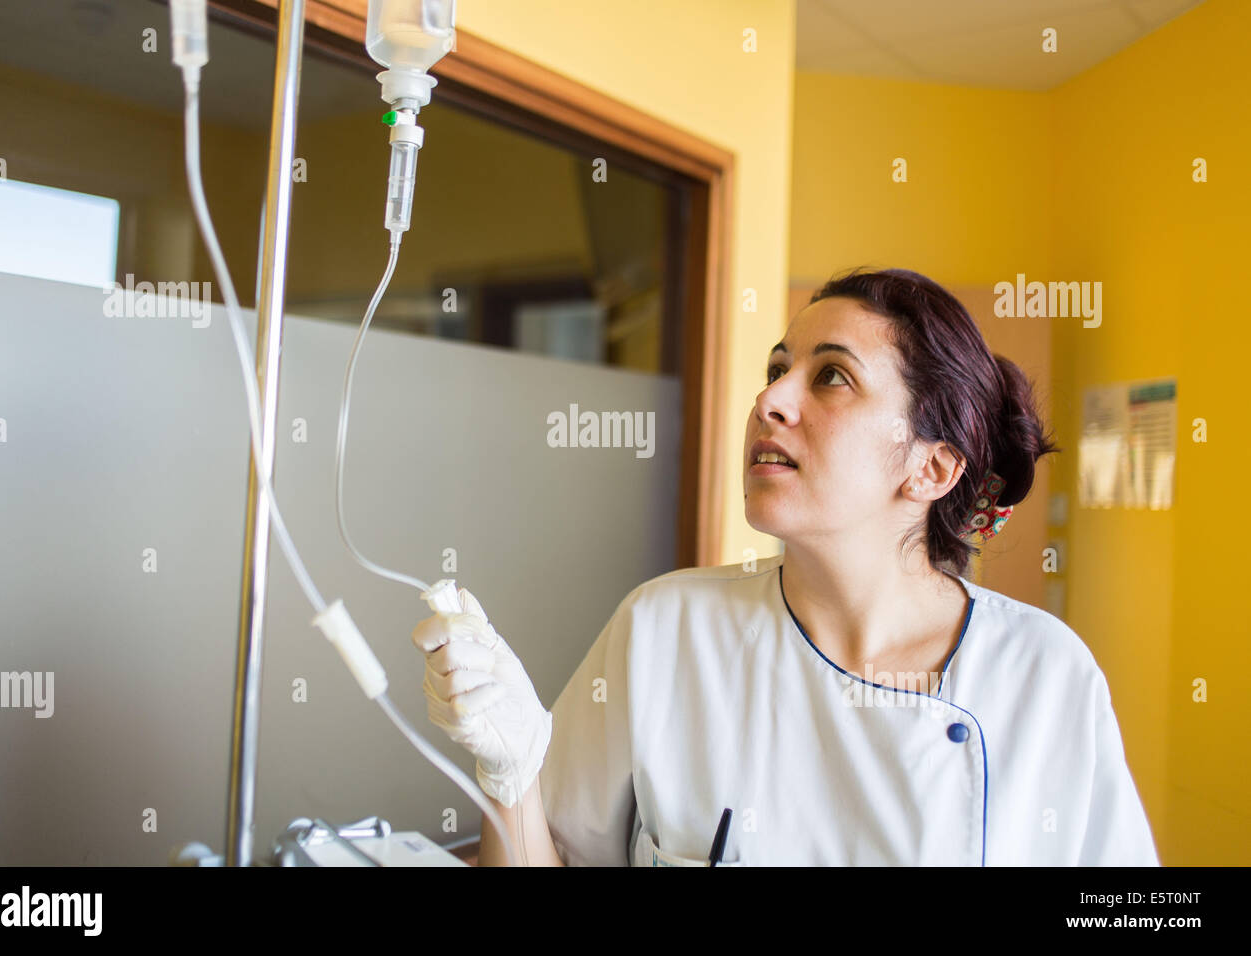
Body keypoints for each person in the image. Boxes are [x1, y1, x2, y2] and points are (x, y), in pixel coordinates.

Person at [410, 267, 1161, 867]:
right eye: (777, 368)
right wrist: (509, 779)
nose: (770, 398)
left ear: (930, 469)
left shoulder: (1044, 676)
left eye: (831, 376)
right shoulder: (665, 630)